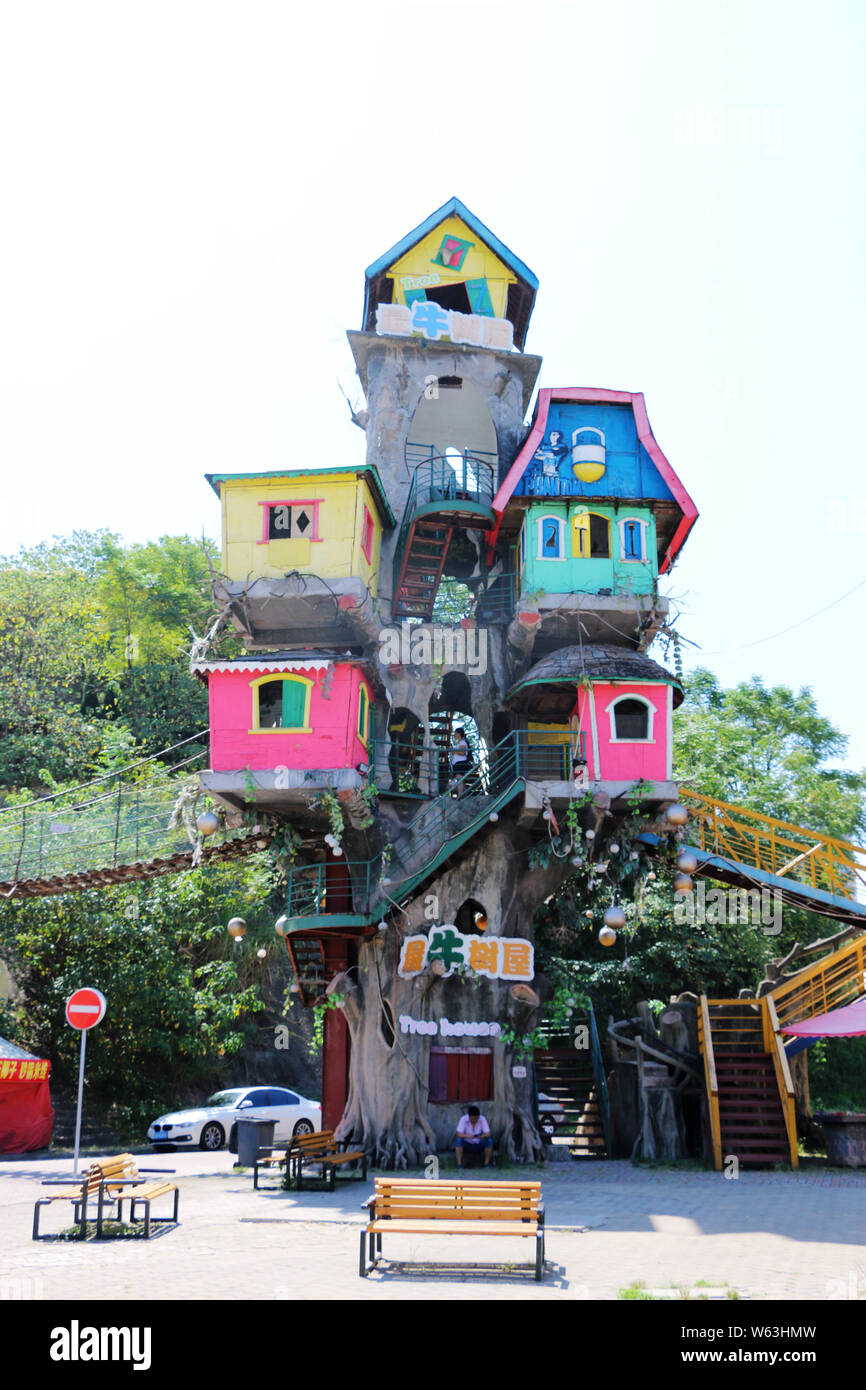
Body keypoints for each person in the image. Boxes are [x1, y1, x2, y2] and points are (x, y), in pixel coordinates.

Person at [449, 726, 472, 795]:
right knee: (460, 780)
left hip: (460, 764)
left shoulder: (462, 742)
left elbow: (462, 752)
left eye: (455, 733)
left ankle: (460, 795)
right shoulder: (460, 743)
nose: (454, 735)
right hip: (458, 764)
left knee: (460, 780)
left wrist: (454, 751)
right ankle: (464, 795)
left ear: (459, 734)